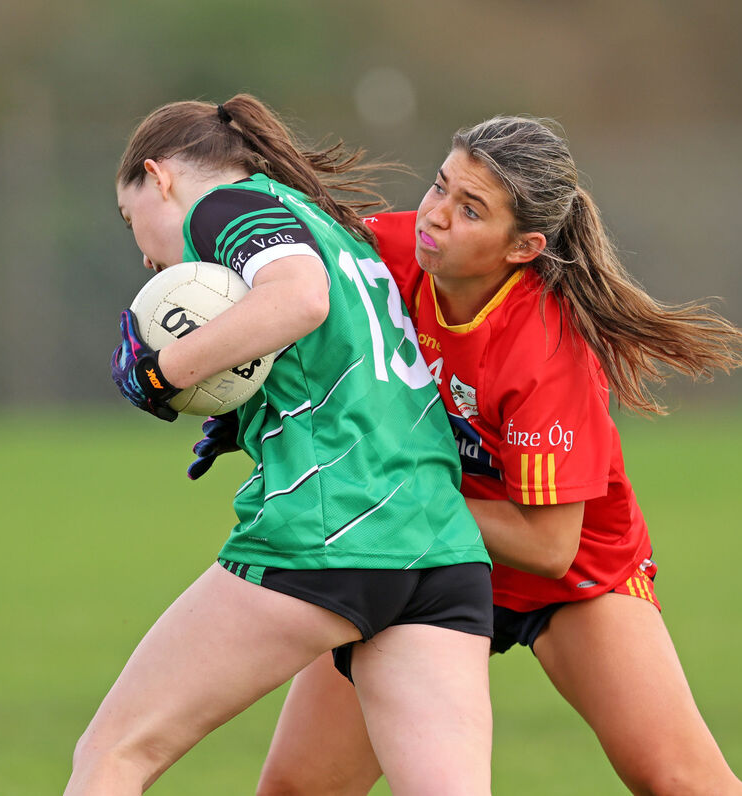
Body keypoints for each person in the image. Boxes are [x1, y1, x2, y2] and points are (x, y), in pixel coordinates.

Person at [241, 116, 742, 795]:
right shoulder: (391, 254)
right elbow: (288, 277)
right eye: (440, 186)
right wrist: (242, 388)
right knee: (295, 790)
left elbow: (550, 543)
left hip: (569, 578)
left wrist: (397, 488)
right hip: (422, 557)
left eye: (471, 210)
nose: (436, 215)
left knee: (683, 786)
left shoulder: (545, 349)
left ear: (523, 246)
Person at [64, 95, 496, 796]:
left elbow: (300, 300)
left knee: (112, 756)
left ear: (159, 176)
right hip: (442, 551)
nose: (142, 251)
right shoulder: (328, 226)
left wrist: (157, 373)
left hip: (329, 532)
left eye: (129, 216)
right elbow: (332, 344)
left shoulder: (222, 206)